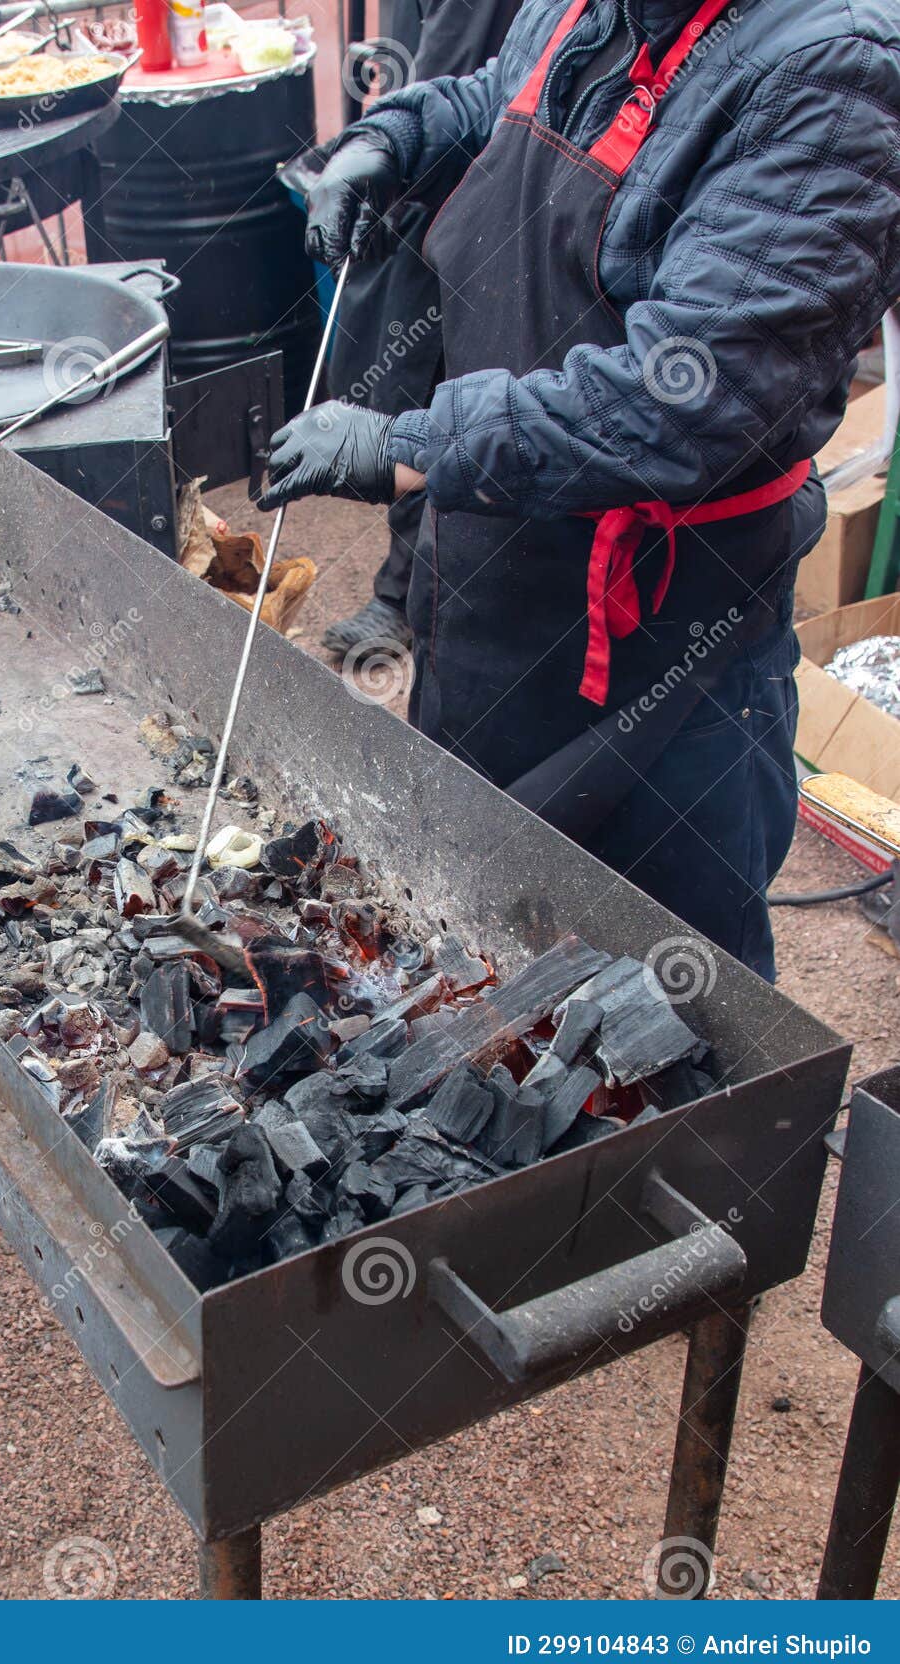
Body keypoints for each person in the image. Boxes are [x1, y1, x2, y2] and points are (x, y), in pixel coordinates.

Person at [259, 0, 900, 981]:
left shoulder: (833, 74)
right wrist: (394, 141)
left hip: (663, 642)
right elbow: (496, 101)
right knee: (474, 931)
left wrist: (408, 443)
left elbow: (690, 395)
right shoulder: (596, 9)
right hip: (486, 582)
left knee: (666, 994)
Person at [322, 0, 526, 663]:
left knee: (442, 398)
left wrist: (404, 166)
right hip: (432, 160)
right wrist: (383, 137)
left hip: (469, 195)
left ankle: (414, 595)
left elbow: (469, 72)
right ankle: (413, 591)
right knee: (415, 389)